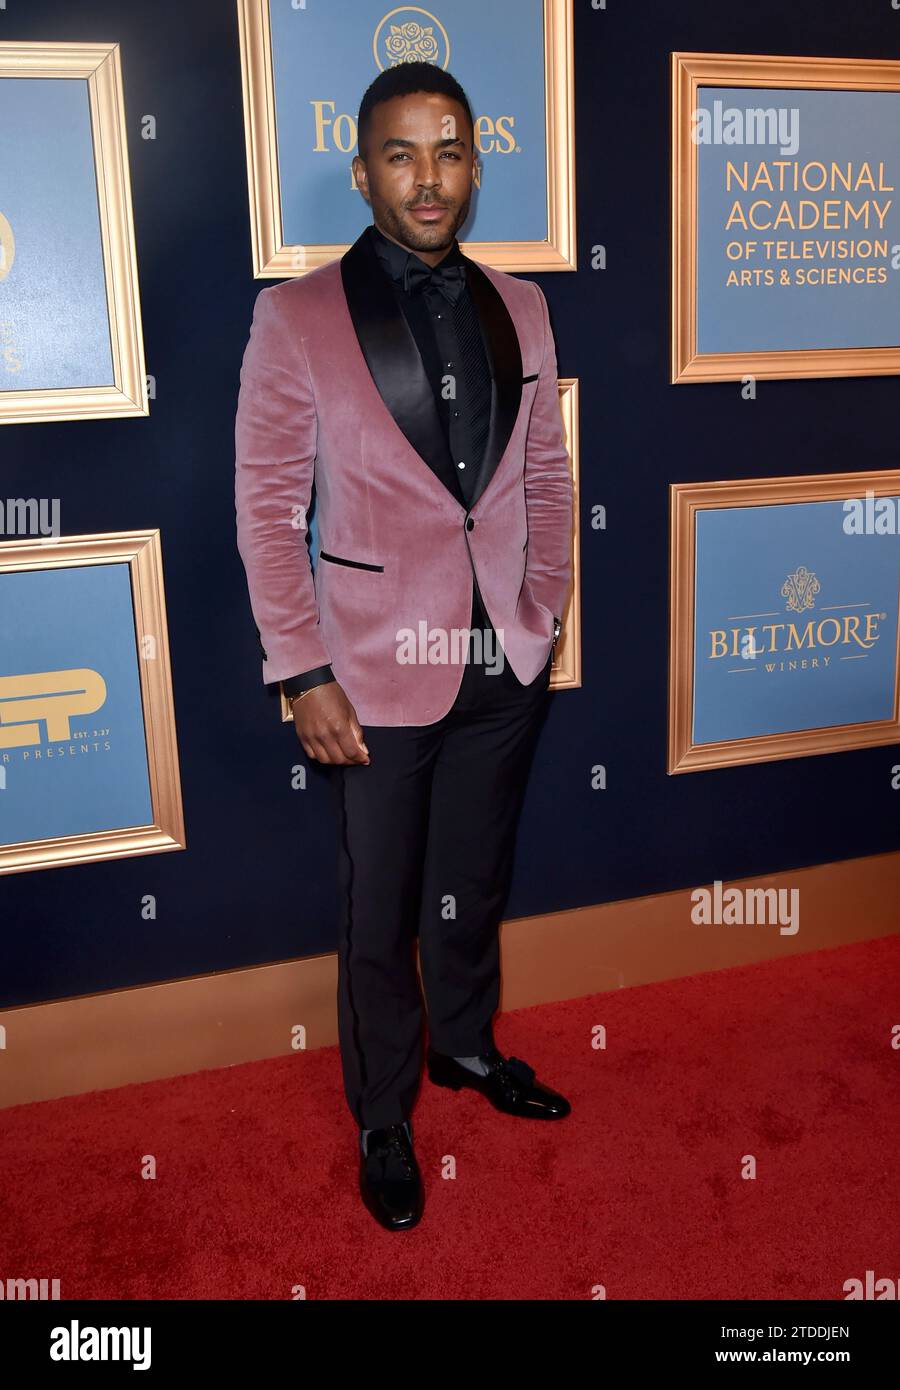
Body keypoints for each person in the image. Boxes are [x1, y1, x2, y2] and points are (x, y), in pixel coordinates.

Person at [235, 61, 574, 1231]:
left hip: (503, 657)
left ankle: (467, 1051)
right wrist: (305, 667)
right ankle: (384, 1111)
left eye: (451, 151)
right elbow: (268, 505)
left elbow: (540, 471)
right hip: (371, 670)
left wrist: (544, 607)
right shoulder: (295, 315)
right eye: (402, 153)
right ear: (362, 168)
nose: (429, 179)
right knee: (378, 906)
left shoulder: (522, 305)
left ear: (477, 164)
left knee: (471, 883)